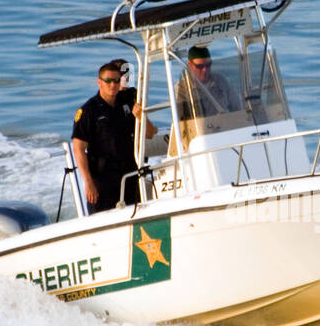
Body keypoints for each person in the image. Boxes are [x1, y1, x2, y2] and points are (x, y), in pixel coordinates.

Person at [71, 60, 156, 213]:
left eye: (116, 80)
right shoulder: (88, 111)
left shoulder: (129, 102)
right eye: (108, 81)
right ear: (99, 82)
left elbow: (150, 134)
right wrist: (88, 182)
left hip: (130, 174)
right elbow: (78, 149)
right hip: (103, 180)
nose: (113, 85)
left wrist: (141, 117)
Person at [175, 45, 242, 117]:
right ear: (190, 65)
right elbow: (182, 118)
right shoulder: (182, 88)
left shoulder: (221, 81)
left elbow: (237, 107)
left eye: (208, 65)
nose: (205, 70)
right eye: (200, 66)